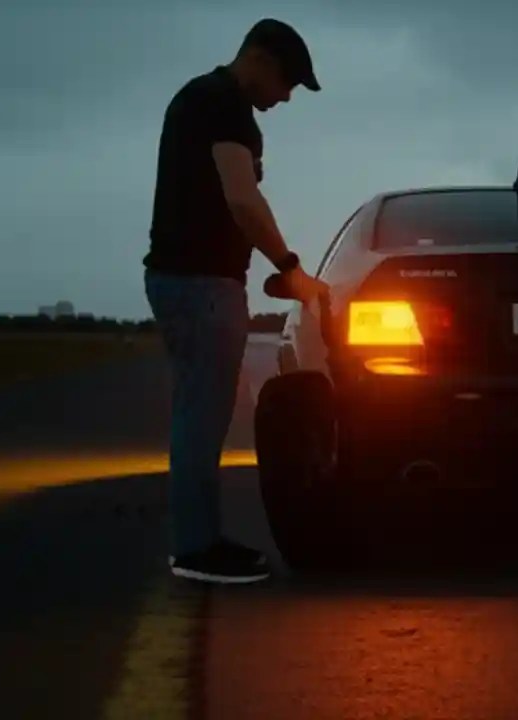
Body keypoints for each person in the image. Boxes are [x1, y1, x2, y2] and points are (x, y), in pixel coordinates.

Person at [144, 18, 329, 584]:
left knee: (196, 412)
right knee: (203, 416)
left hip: (187, 279)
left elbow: (232, 191)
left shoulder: (206, 102)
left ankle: (198, 541)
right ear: (261, 61)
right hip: (200, 283)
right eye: (287, 82)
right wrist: (290, 269)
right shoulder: (221, 103)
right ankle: (198, 549)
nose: (287, 96)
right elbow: (243, 202)